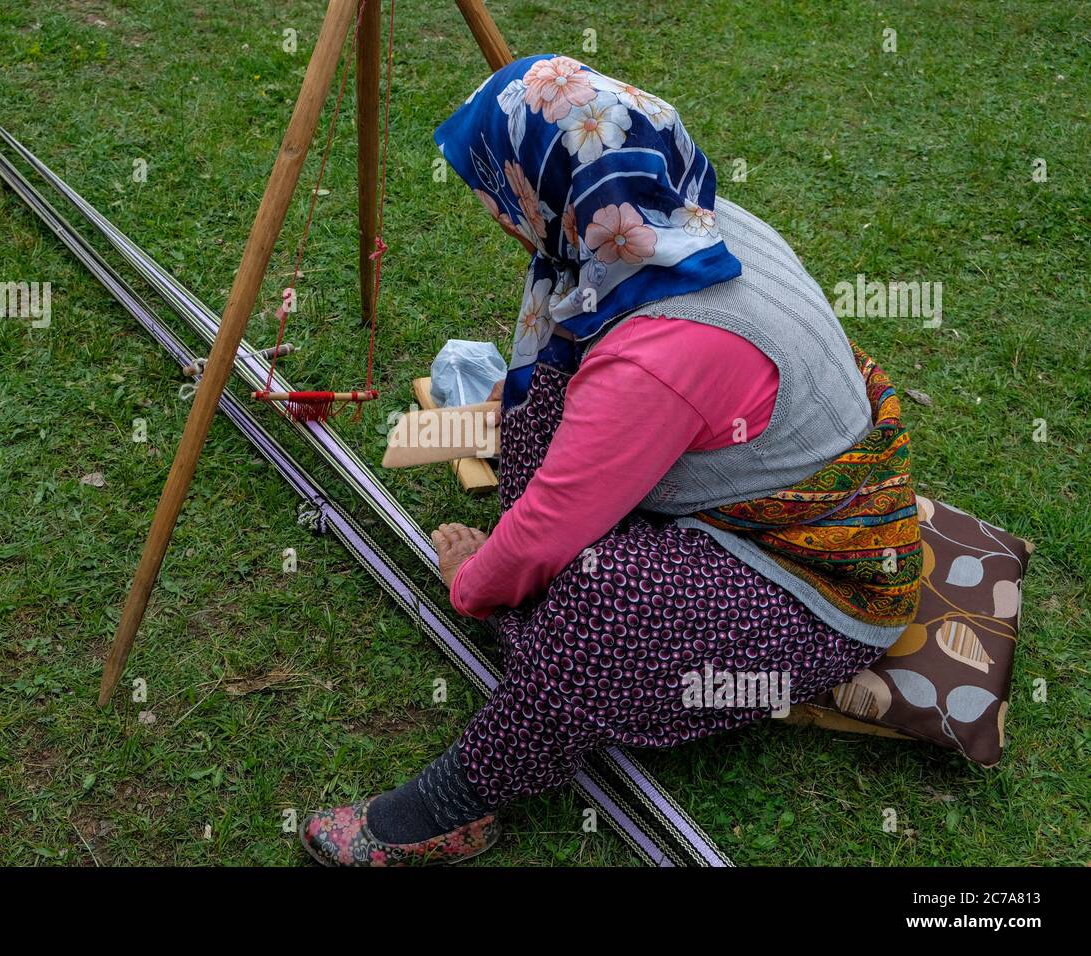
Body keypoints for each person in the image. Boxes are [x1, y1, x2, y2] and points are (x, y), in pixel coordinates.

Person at [301, 54, 922, 867]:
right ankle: (547, 632)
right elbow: (566, 396)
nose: (497, 211)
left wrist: (474, 580)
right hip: (755, 490)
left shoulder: (657, 354)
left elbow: (552, 525)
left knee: (608, 604)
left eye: (501, 191)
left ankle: (454, 804)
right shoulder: (668, 219)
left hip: (824, 578)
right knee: (543, 405)